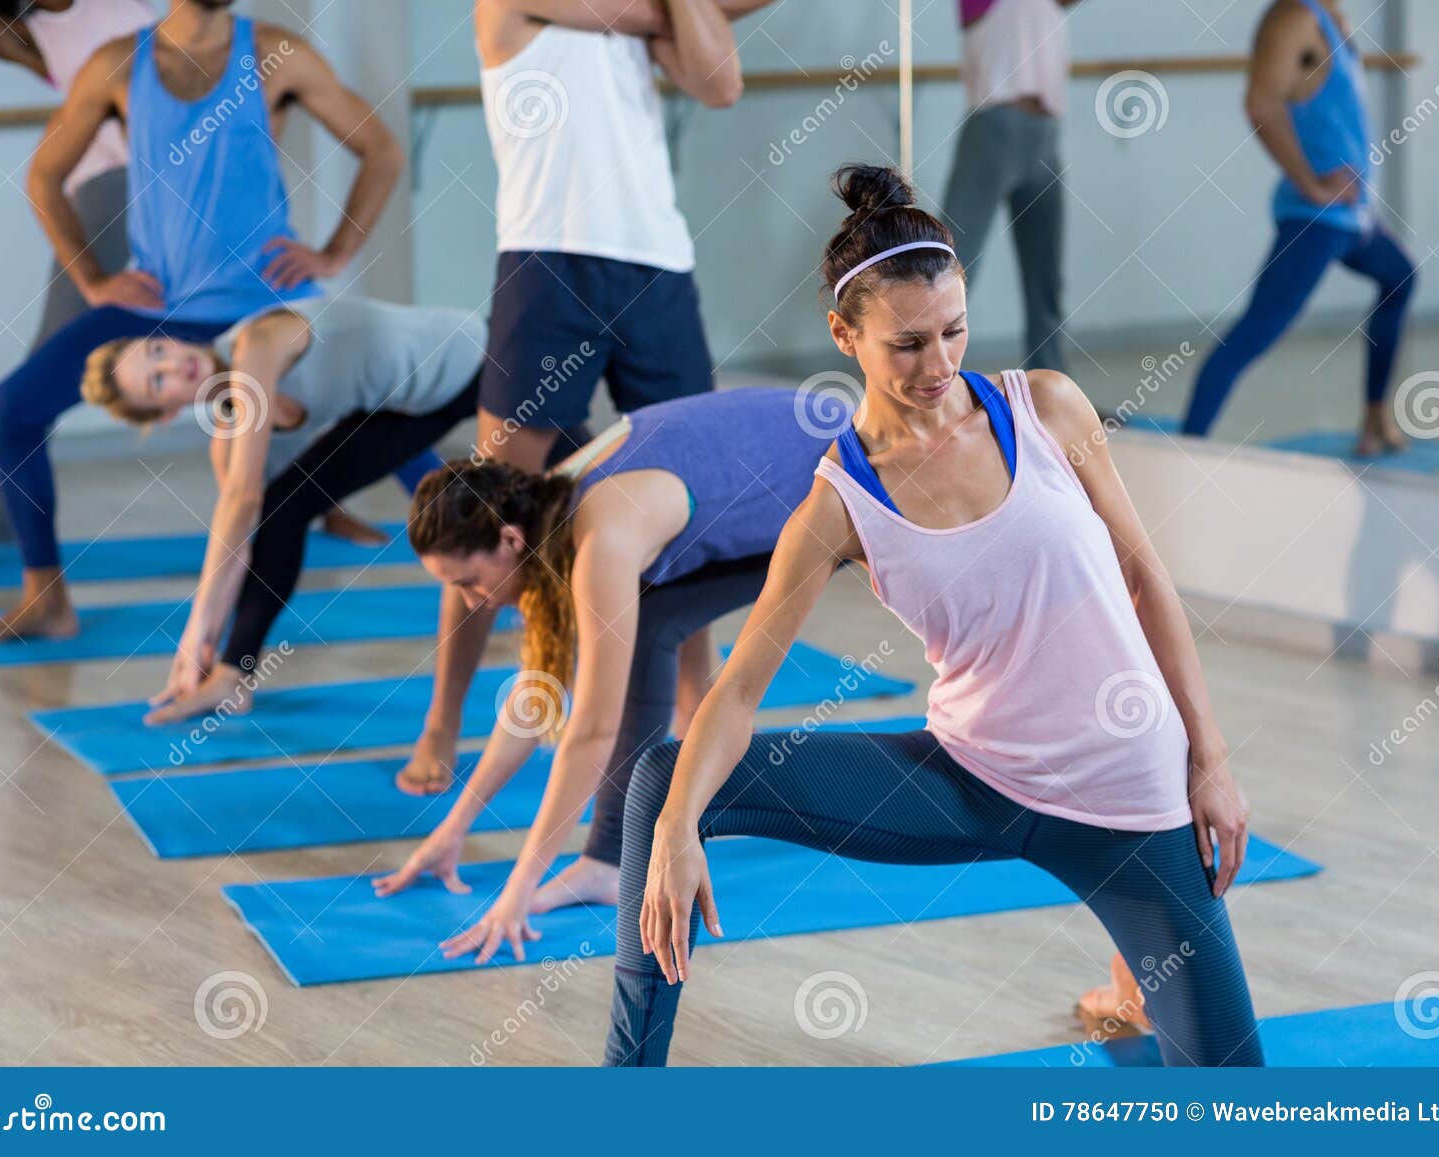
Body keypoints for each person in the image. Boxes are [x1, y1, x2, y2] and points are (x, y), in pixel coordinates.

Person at [603, 165, 1261, 1068]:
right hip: (968, 778)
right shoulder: (838, 505)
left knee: (1236, 1092)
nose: (939, 364)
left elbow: (1147, 581)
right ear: (845, 334)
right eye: (907, 344)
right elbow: (740, 686)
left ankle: (1128, 998)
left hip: (1127, 793)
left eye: (953, 330)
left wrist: (1211, 761)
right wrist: (678, 833)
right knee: (664, 780)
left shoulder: (1047, 409)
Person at [399, 0, 775, 795]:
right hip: (548, 264)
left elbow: (722, 87)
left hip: (657, 266)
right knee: (481, 502)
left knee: (692, 502)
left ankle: (692, 708)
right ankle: (442, 721)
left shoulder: (649, 19)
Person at [0, 0, 403, 644]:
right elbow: (45, 177)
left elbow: (381, 150)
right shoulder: (115, 66)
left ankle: (494, 564)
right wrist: (92, 280)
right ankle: (45, 599)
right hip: (157, 309)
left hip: (263, 303)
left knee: (399, 401)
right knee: (11, 409)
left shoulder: (279, 54)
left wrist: (336, 252)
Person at [370, 387, 843, 964]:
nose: (474, 602)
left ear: (507, 541)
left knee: (644, 634)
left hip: (842, 476)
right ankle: (608, 858)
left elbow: (590, 734)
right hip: (774, 464)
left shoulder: (601, 541)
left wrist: (515, 895)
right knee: (646, 629)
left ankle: (606, 858)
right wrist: (453, 830)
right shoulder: (542, 503)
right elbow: (537, 693)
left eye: (468, 580)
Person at [77, 298, 487, 723]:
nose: (173, 366)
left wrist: (196, 626)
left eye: (158, 352)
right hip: (409, 408)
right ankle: (234, 676)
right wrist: (203, 644)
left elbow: (243, 500)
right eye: (157, 383)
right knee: (285, 509)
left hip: (476, 358)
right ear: (167, 414)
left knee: (279, 501)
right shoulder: (231, 437)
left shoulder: (258, 342)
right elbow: (238, 538)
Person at [0, 0, 154, 576]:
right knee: (51, 358)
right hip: (111, 191)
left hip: (197, 179)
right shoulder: (35, 36)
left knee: (262, 330)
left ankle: (322, 499)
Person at [1180, 0, 1416, 454]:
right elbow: (1260, 103)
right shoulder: (1292, 18)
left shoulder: (1333, 20)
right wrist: (1311, 183)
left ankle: (1374, 418)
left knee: (1401, 277)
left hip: (1354, 219)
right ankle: (1187, 451)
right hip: (1317, 220)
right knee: (1256, 332)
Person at [941, 0, 1082, 373]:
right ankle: (922, 382)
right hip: (994, 129)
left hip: (1045, 136)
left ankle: (1052, 387)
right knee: (949, 267)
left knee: (1046, 281)